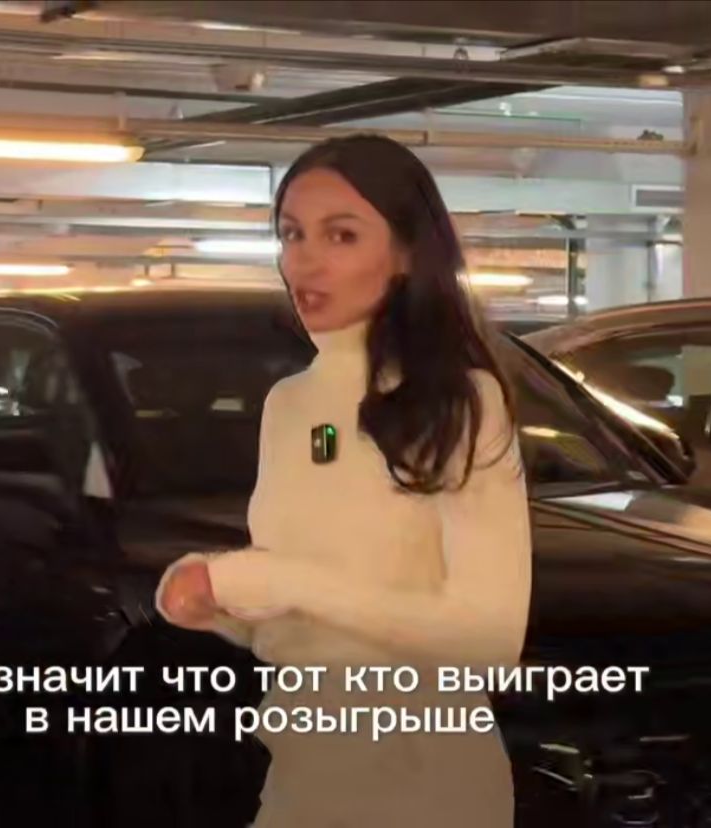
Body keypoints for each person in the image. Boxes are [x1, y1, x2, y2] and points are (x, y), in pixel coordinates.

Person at [156, 134, 532, 827]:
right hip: (305, 767)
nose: (305, 261)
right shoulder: (291, 406)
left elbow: (490, 640)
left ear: (407, 253)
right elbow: (303, 619)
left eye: (342, 235)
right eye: (291, 234)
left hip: (423, 784)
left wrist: (280, 581)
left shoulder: (460, 402)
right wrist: (222, 603)